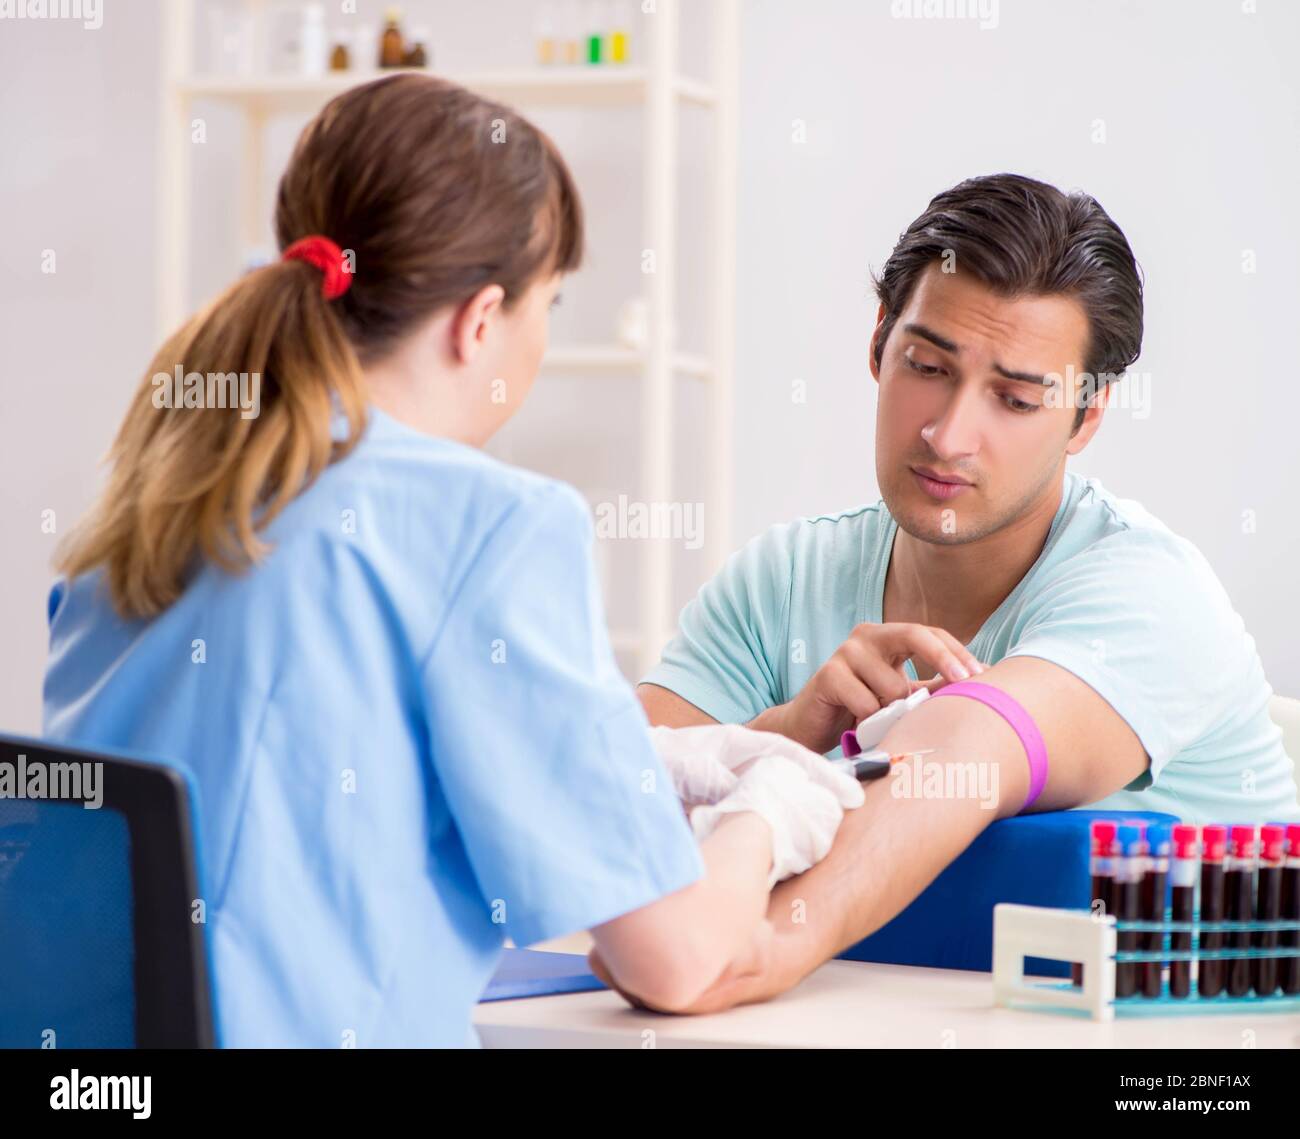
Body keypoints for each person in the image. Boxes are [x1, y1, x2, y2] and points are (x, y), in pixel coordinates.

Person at [42, 74, 862, 1046]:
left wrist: (624, 767)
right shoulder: (489, 522)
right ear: (481, 321)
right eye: (547, 303)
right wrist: (768, 813)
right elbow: (675, 958)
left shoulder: (152, 507)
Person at [636, 173, 1300, 1012]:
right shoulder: (785, 577)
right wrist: (785, 736)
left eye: (1017, 399)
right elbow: (597, 784)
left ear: (1086, 416)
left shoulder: (1151, 595)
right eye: (926, 365)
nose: (949, 435)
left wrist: (746, 951)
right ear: (879, 343)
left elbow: (964, 754)